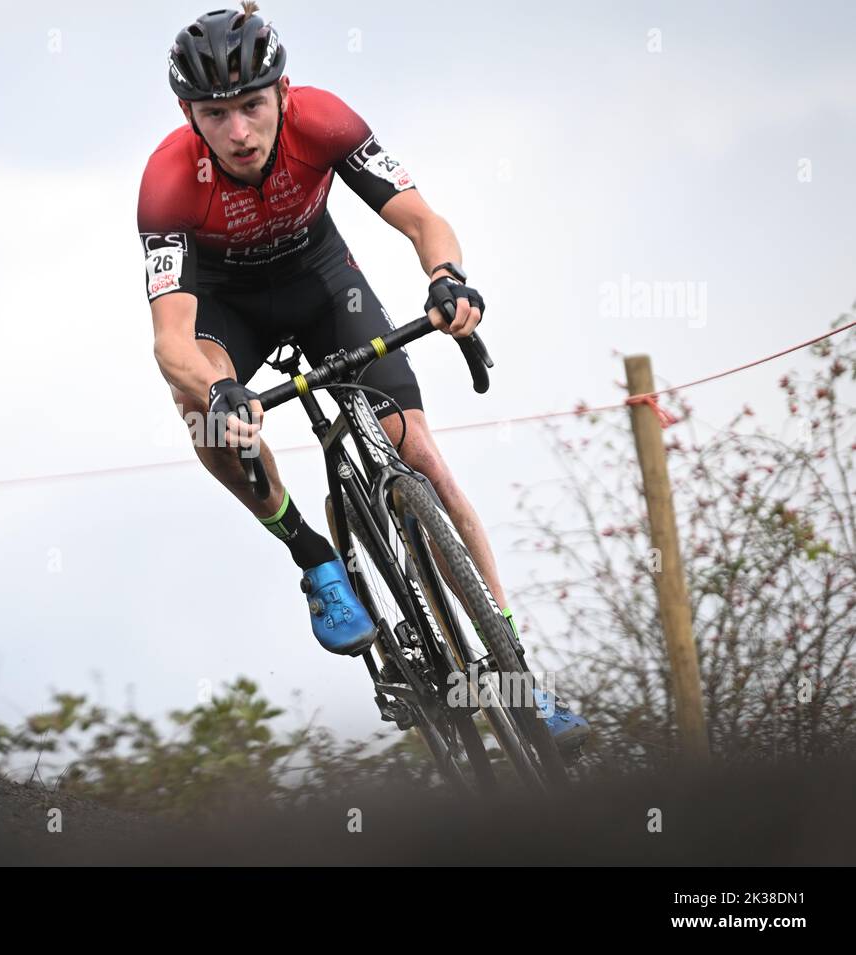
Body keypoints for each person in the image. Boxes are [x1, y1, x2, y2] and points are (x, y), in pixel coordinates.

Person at [137, 3, 588, 755]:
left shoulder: (326, 123)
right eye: (217, 115)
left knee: (424, 461)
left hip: (324, 287)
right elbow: (170, 342)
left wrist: (447, 277)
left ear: (284, 92)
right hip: (225, 310)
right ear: (190, 114)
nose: (240, 132)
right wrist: (218, 391)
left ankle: (519, 678)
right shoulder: (167, 183)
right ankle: (313, 553)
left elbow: (421, 219)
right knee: (202, 409)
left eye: (252, 106)